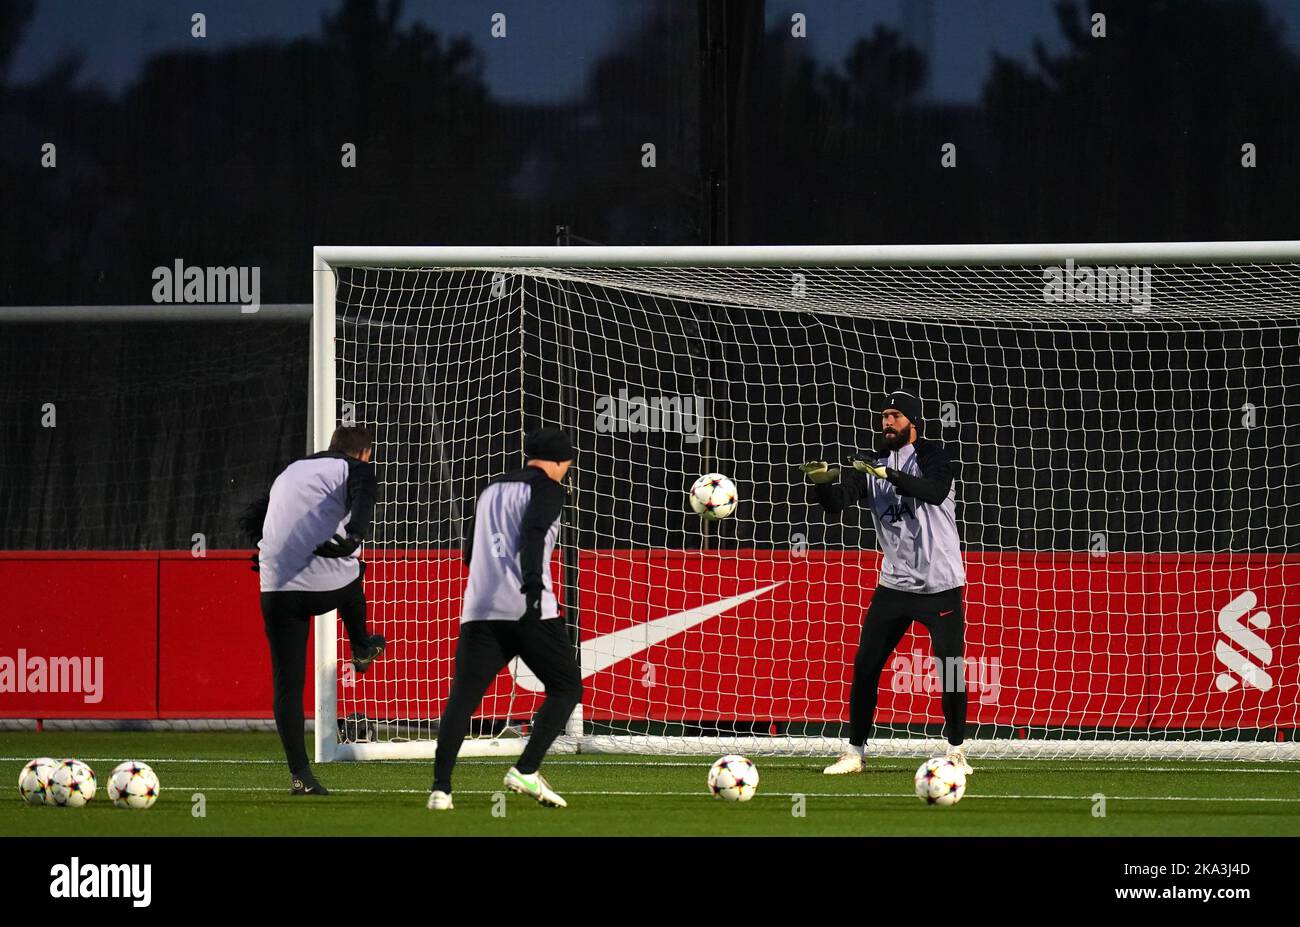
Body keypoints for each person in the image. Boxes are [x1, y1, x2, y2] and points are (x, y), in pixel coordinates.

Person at [800, 390, 972, 776]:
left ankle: (956, 751)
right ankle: (854, 752)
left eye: (895, 416)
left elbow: (933, 490)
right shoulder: (873, 465)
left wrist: (890, 475)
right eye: (884, 417)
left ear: (912, 422)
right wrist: (823, 484)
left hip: (939, 584)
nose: (887, 423)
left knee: (949, 667)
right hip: (894, 586)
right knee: (865, 666)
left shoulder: (932, 456)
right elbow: (837, 503)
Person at [427, 426, 582, 811]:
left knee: (462, 701)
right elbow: (532, 532)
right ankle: (526, 769)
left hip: (480, 607)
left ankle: (440, 790)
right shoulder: (548, 488)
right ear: (562, 462)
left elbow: (470, 551)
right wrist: (531, 584)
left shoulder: (491, 489)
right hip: (528, 607)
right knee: (566, 688)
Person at [246, 425, 386, 795]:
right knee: (357, 568)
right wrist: (354, 534)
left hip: (274, 587)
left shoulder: (291, 469)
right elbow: (364, 497)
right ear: (364, 454)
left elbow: (262, 516)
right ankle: (360, 645)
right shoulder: (356, 468)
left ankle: (300, 777)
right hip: (326, 584)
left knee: (288, 685)